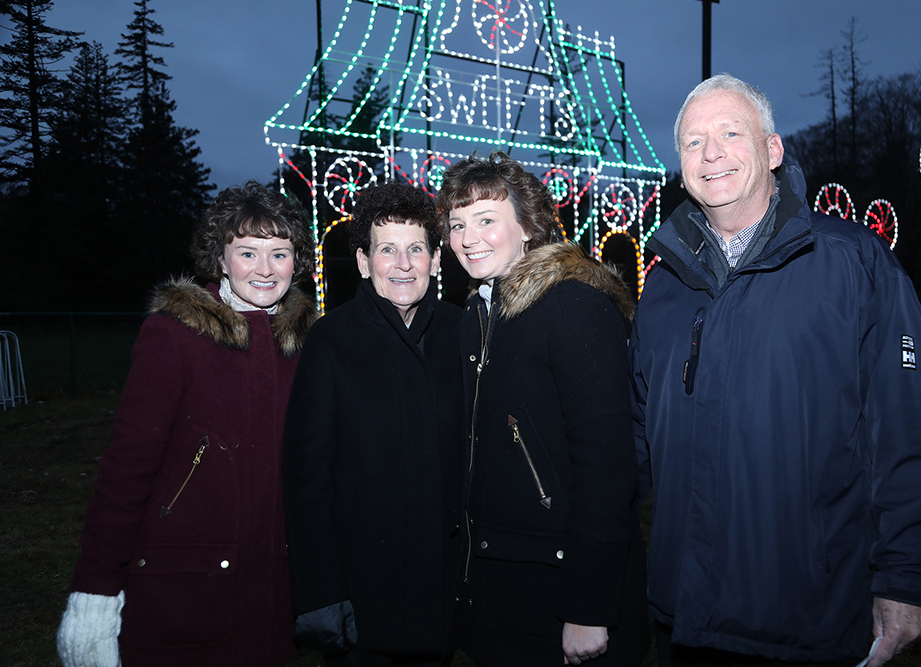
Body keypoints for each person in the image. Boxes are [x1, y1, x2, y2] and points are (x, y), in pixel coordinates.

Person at [630, 73, 921, 667]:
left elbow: (907, 431)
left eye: (731, 132)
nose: (712, 153)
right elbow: (636, 435)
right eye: (694, 142)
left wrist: (906, 577)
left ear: (773, 149)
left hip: (809, 616)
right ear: (680, 167)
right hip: (685, 615)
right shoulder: (665, 285)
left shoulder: (853, 262)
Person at [56, 181, 318, 667]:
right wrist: (95, 589)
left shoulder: (307, 346)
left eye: (279, 254)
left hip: (276, 592)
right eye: (247, 252)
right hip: (183, 589)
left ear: (296, 262)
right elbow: (126, 470)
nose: (264, 269)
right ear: (220, 259)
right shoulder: (175, 336)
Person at [438, 151, 650, 667]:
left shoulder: (574, 307)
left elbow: (607, 467)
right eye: (457, 224)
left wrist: (588, 606)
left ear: (528, 226)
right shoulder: (475, 317)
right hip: (499, 591)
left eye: (487, 220)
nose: (469, 239)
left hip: (563, 597)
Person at [282, 182, 463, 667]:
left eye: (416, 249)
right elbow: (307, 483)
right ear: (363, 262)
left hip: (444, 596)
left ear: (436, 260)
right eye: (388, 250)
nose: (403, 264)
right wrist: (320, 592)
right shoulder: (330, 342)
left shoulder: (462, 333)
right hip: (362, 602)